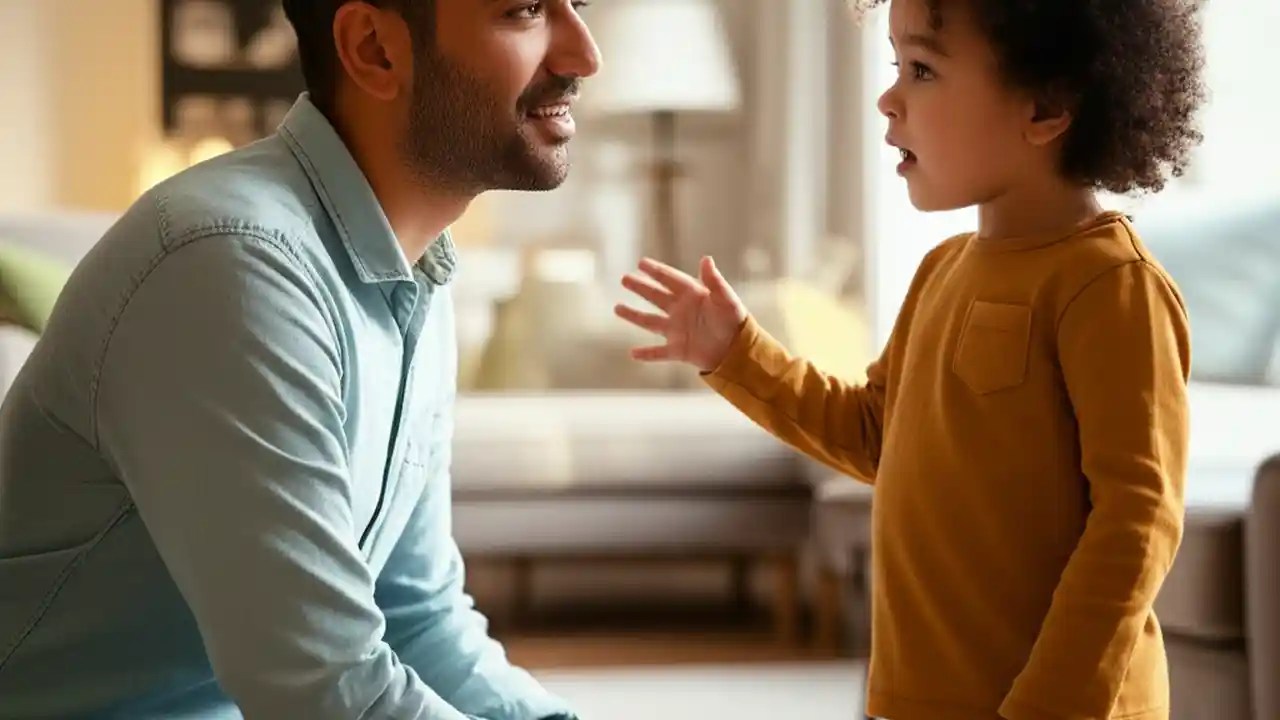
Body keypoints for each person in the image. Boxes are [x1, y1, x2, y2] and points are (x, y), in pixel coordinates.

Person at [0, 1, 598, 718]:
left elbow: (417, 618)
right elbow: (325, 691)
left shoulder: (418, 275)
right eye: (525, 9)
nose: (583, 55)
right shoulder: (229, 263)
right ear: (374, 48)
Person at [616, 0, 1205, 718]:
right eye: (896, 65)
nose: (887, 97)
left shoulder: (1112, 286)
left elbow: (1136, 522)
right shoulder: (942, 271)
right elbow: (877, 434)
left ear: (1047, 105)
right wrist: (738, 354)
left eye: (922, 68)